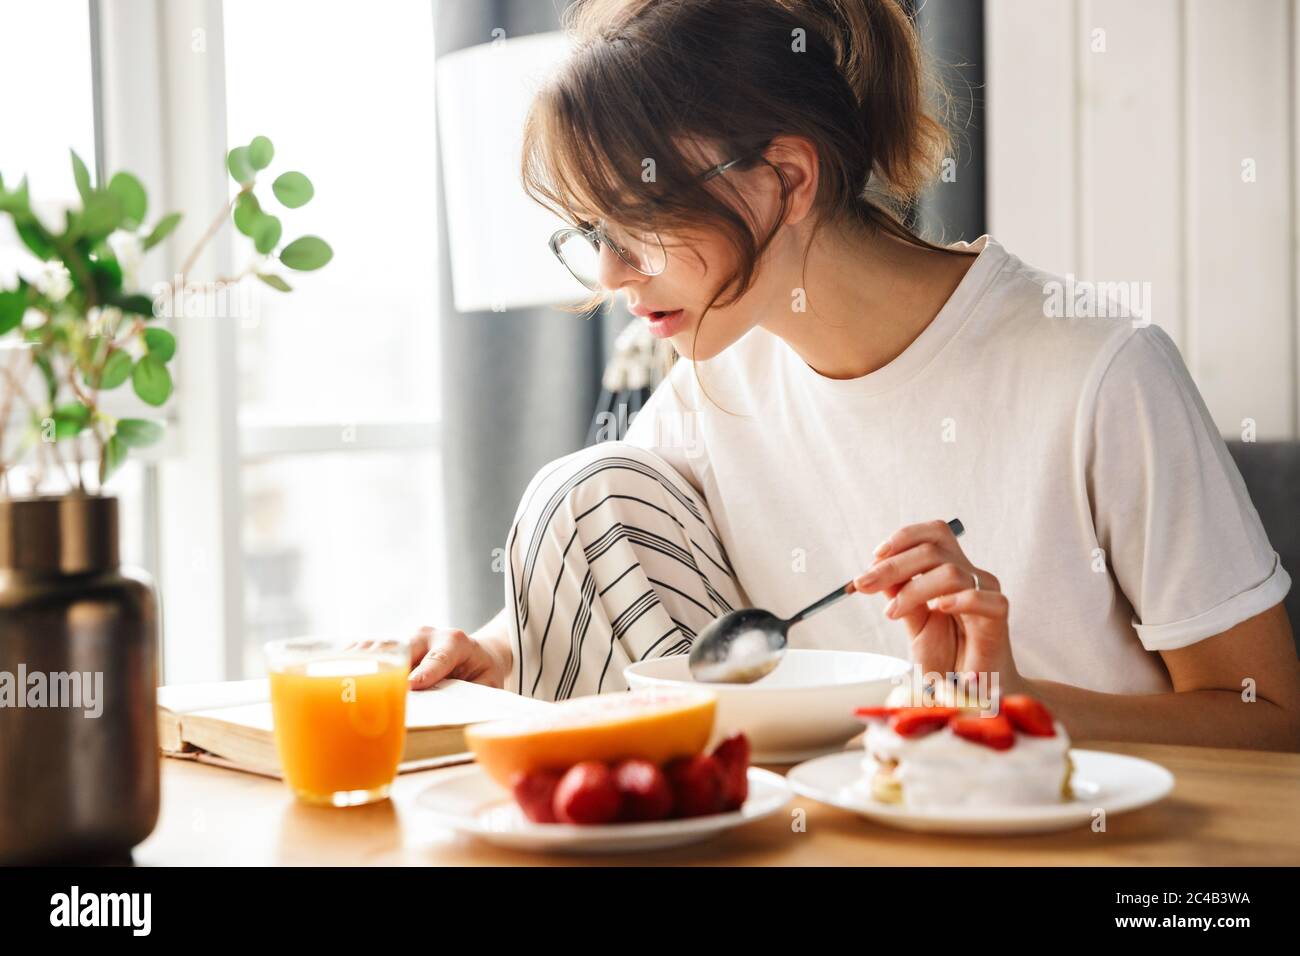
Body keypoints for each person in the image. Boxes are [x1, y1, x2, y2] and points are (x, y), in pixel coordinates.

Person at [408, 0, 1300, 751]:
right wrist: (492, 651)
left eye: (635, 222)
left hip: (1074, 836)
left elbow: (1274, 719)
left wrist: (1018, 705)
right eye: (590, 233)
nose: (608, 275)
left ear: (786, 179)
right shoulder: (719, 372)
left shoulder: (1101, 370)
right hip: (833, 822)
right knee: (582, 483)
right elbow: (594, 544)